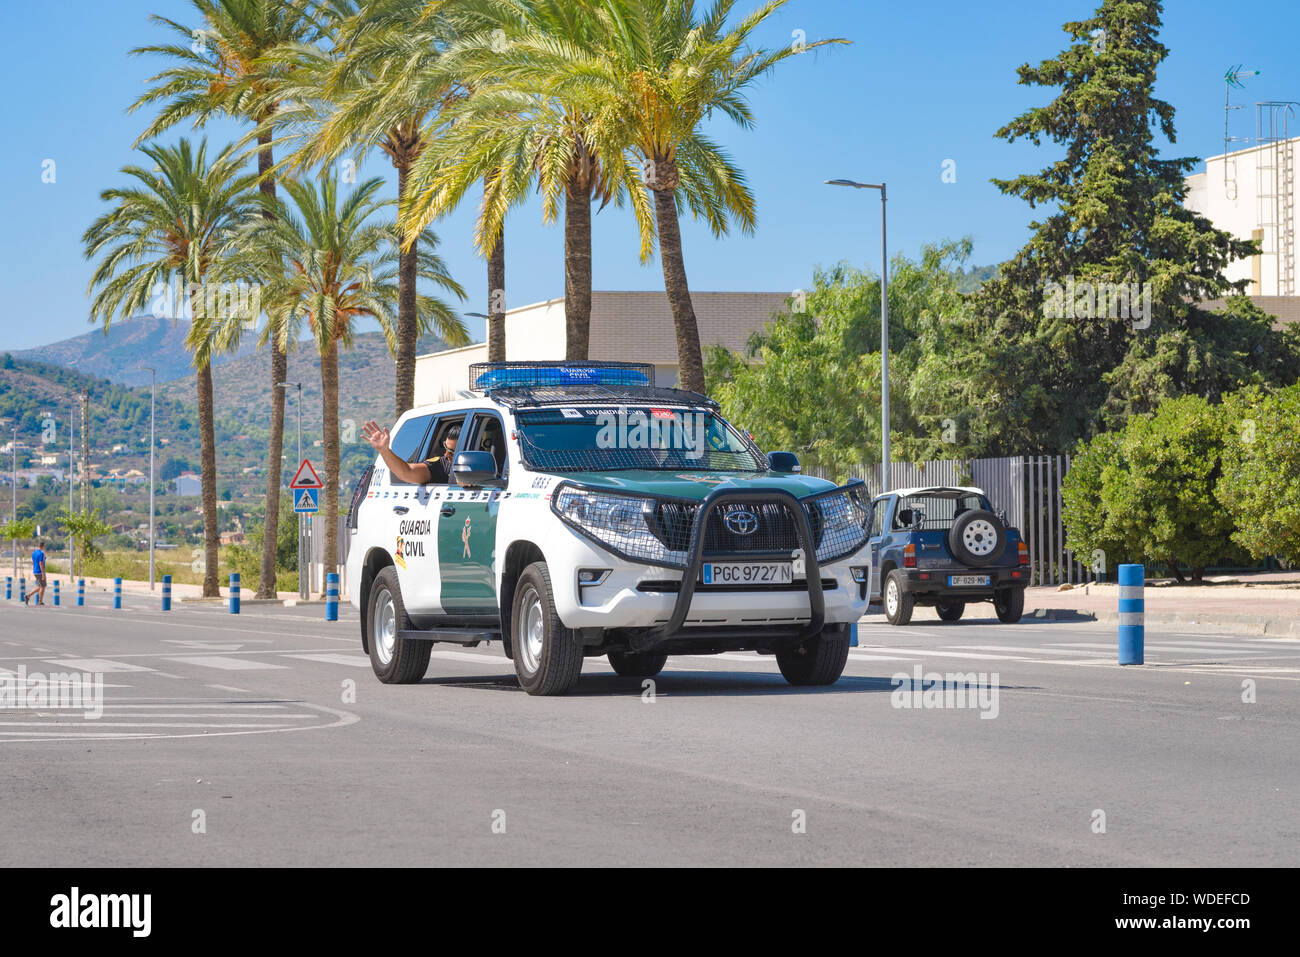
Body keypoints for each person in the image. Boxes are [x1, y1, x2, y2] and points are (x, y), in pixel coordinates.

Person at [362, 421, 461, 485]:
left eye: (452, 452)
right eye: (446, 448)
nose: (446, 455)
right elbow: (407, 472)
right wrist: (384, 451)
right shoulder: (441, 465)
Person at [25, 540, 47, 607]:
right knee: (43, 587)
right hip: (40, 572)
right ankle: (40, 601)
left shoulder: (34, 553)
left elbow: (33, 562)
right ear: (43, 546)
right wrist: (43, 574)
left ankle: (28, 596)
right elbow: (41, 563)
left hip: (35, 571)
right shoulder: (41, 553)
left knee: (39, 586)